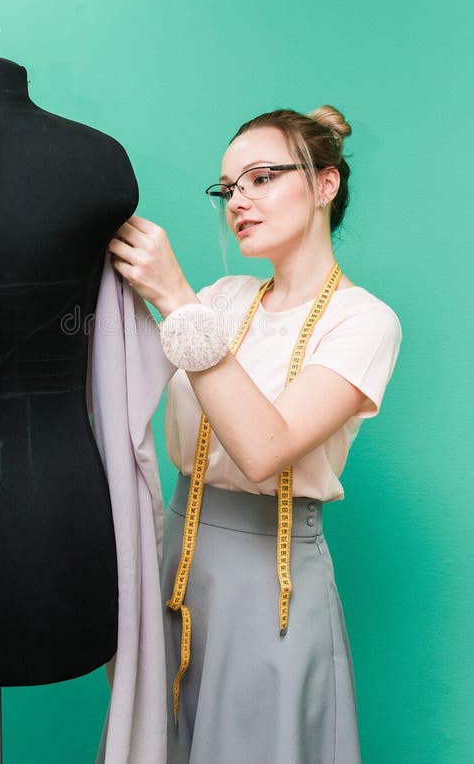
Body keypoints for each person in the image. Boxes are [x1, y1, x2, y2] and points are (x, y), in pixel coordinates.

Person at [108, 105, 401, 764]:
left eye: (261, 178)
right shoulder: (222, 299)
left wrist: (177, 299)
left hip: (272, 588)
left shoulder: (364, 322)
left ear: (325, 185)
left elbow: (264, 447)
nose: (237, 200)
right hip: (175, 568)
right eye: (228, 187)